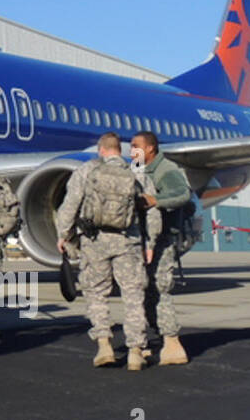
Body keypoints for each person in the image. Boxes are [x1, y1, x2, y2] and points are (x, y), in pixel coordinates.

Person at [55, 133, 160, 370]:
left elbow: (69, 205)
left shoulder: (86, 171)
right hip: (128, 242)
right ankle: (135, 351)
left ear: (101, 150)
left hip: (95, 242)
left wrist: (63, 235)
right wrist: (150, 243)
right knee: (133, 296)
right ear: (118, 150)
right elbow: (152, 212)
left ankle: (104, 346)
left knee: (96, 294)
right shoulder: (137, 172)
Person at [130, 130, 193, 365]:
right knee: (143, 290)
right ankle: (148, 338)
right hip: (143, 240)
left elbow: (182, 194)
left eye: (136, 145)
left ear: (150, 149)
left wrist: (157, 200)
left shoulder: (166, 169)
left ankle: (172, 342)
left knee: (159, 288)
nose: (131, 149)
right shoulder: (137, 168)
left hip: (163, 239)